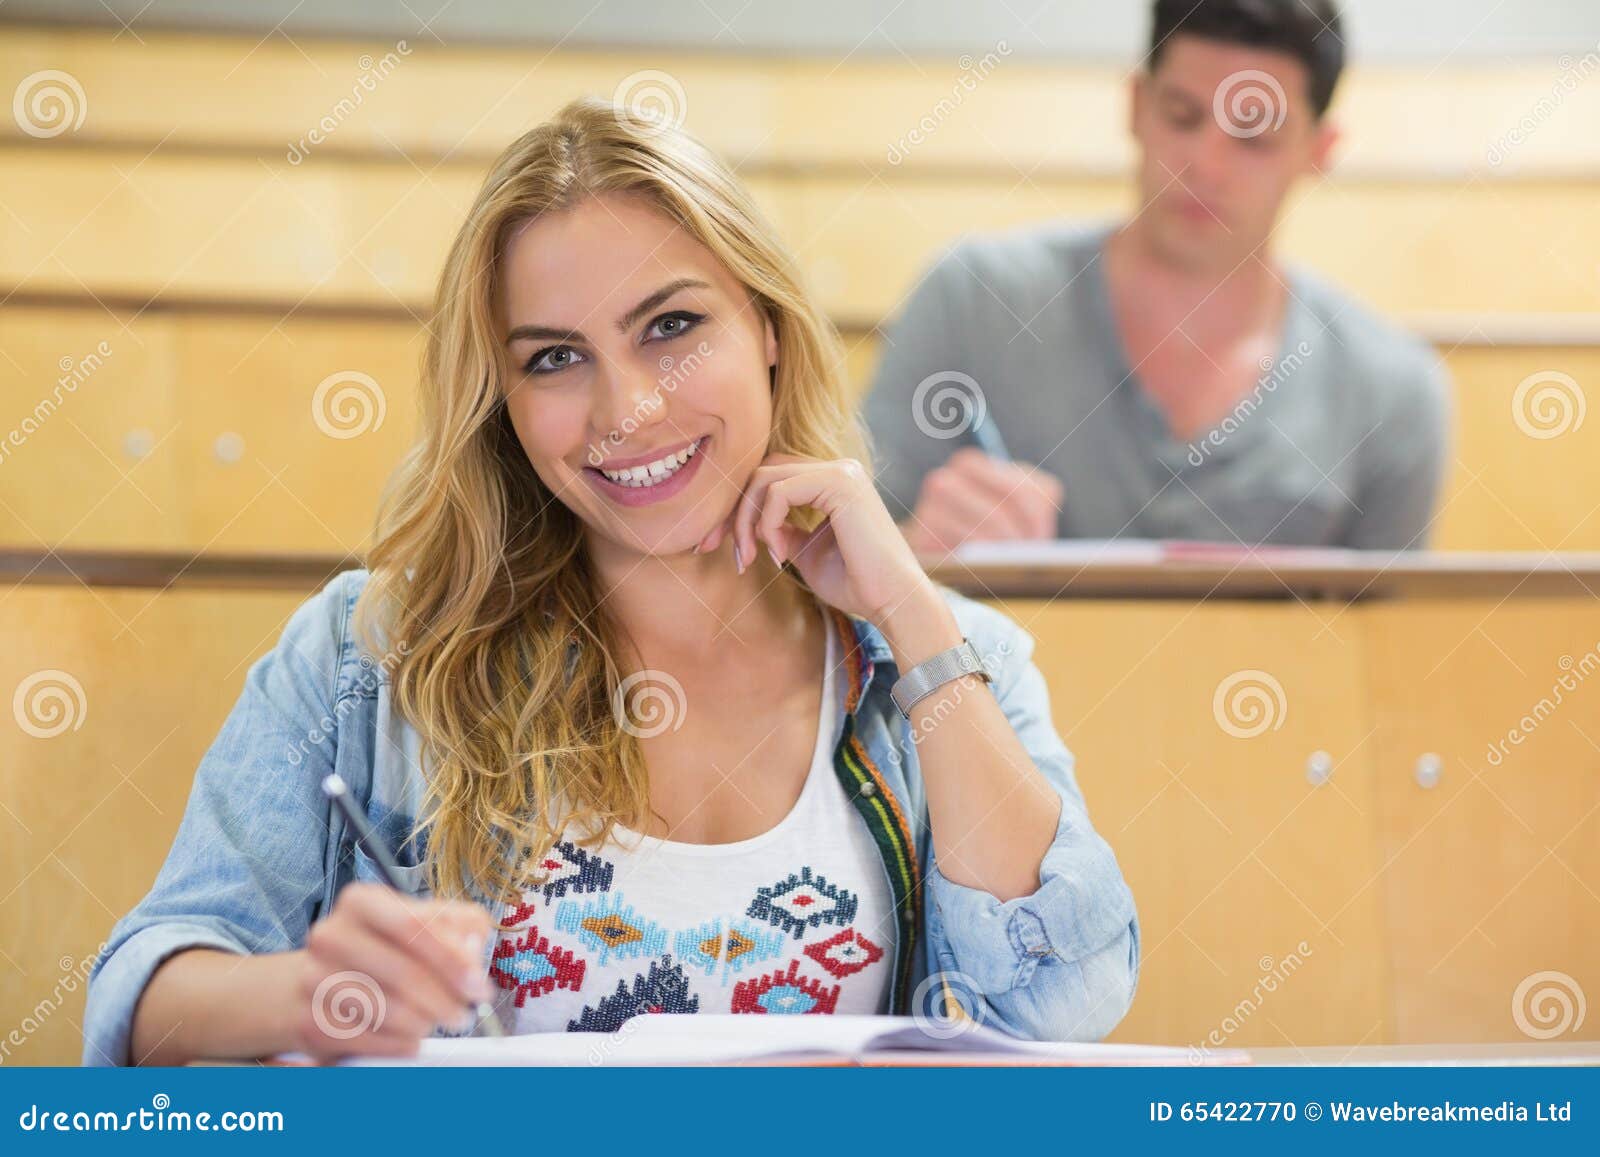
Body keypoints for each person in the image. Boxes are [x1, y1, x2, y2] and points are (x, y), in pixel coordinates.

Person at [82, 98, 1139, 1065]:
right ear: (500, 397)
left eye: (670, 327)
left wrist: (910, 612)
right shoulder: (371, 652)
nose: (623, 408)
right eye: (553, 358)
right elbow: (140, 1002)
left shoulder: (948, 659)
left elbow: (1063, 1001)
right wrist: (307, 993)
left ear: (766, 327)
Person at [865, 0, 1453, 557]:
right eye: (1182, 116)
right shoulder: (974, 300)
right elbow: (836, 587)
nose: (1207, 165)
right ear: (1136, 106)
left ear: (1319, 151)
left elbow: (1385, 652)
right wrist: (915, 551)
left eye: (1254, 138)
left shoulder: (1392, 393)